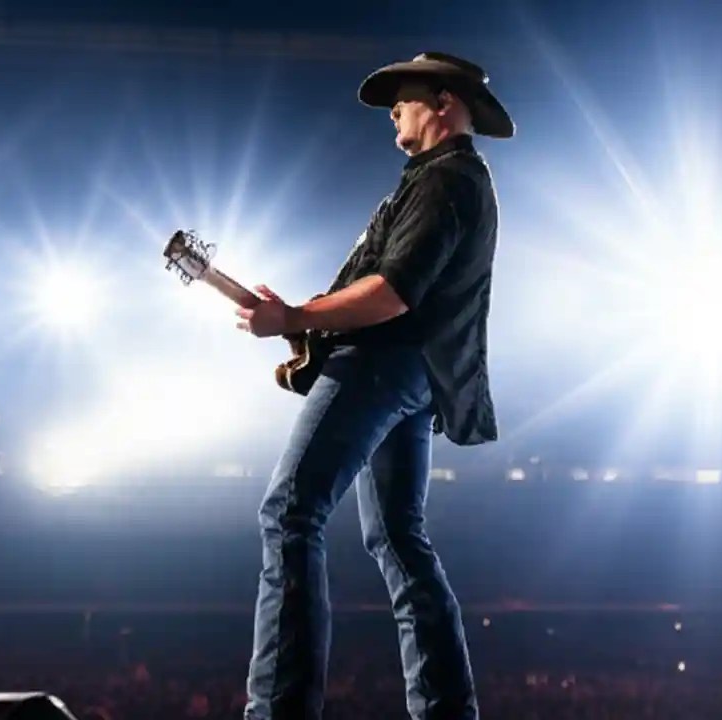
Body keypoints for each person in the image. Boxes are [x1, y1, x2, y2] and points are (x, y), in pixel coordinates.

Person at [234, 51, 514, 720]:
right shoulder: (444, 181)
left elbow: (391, 294)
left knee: (290, 511)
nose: (393, 109)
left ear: (444, 103)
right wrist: (302, 326)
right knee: (397, 537)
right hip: (415, 375)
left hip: (382, 363)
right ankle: (447, 709)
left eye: (405, 97)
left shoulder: (446, 180)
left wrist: (295, 317)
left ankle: (278, 708)